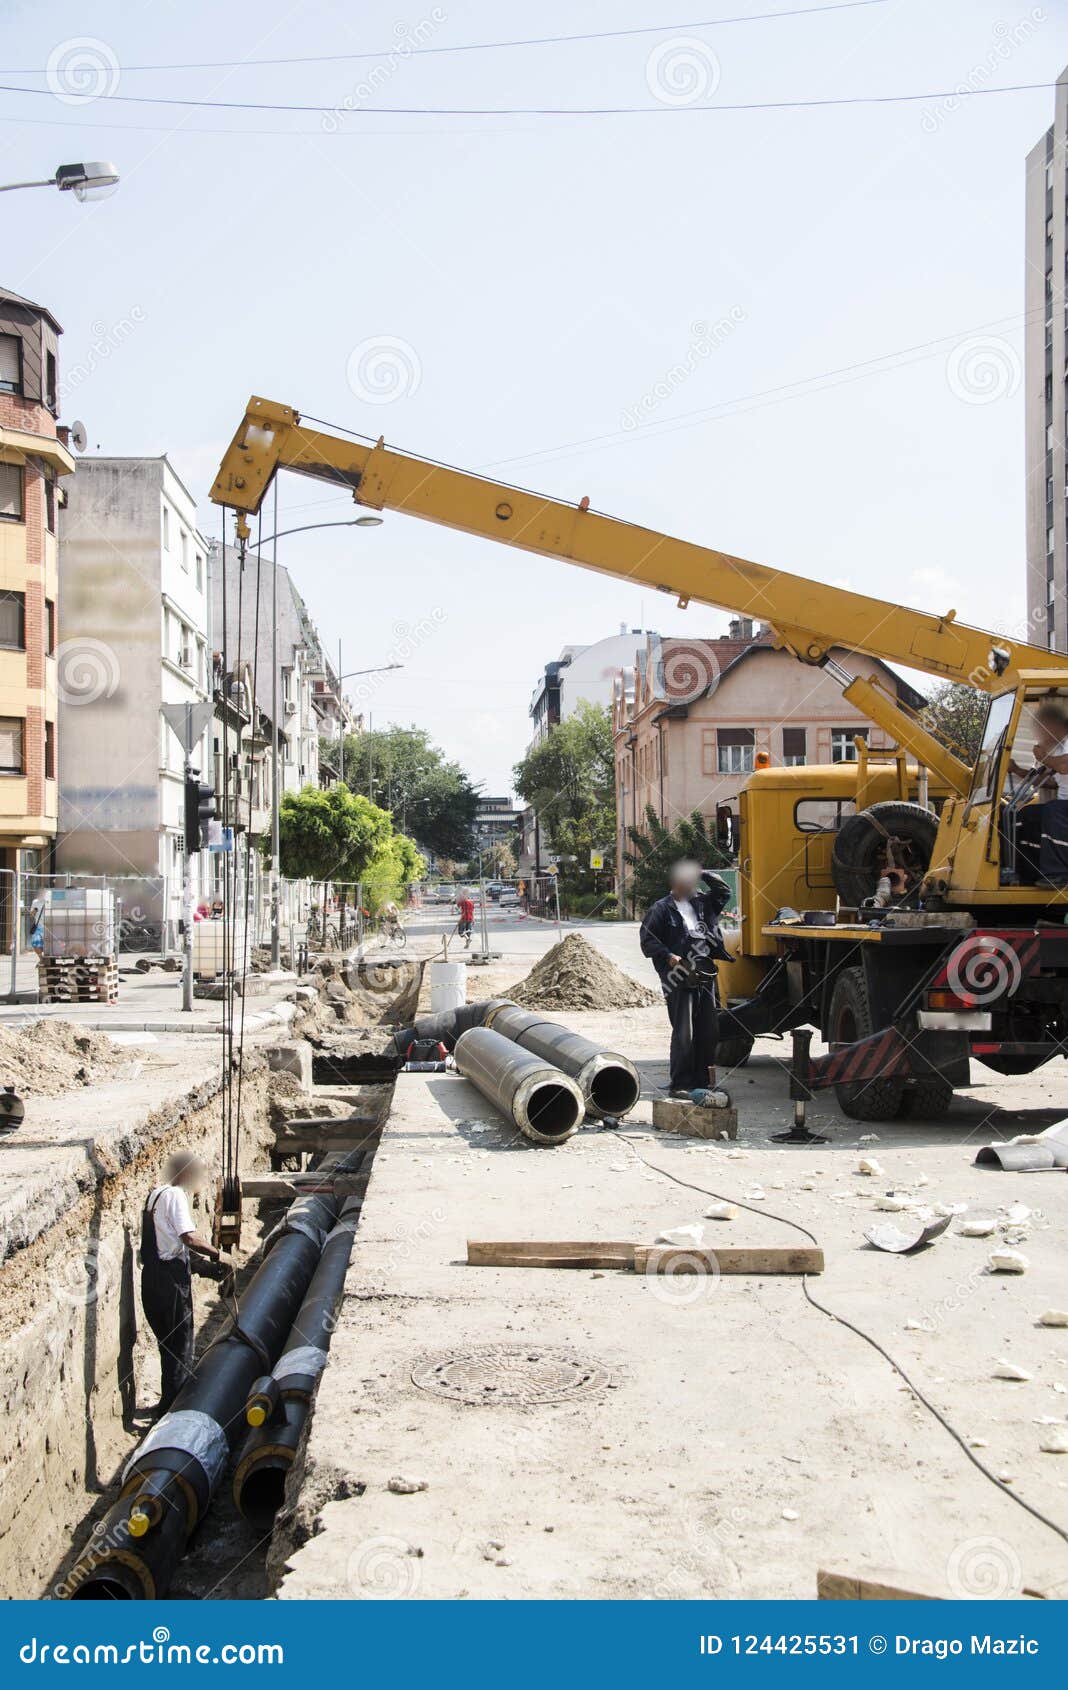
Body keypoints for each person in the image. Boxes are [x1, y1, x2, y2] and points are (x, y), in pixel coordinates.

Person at [140, 1150, 226, 1417]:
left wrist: (207, 1270)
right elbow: (187, 1238)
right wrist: (218, 1254)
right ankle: (177, 1413)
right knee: (181, 1345)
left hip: (151, 1280)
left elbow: (171, 1246)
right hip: (170, 1283)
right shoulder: (176, 1196)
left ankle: (166, 1404)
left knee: (167, 1344)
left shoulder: (155, 1195)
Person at [640, 859, 733, 1099]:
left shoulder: (702, 903)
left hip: (704, 972)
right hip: (679, 975)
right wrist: (670, 957)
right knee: (685, 1032)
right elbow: (648, 941)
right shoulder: (661, 908)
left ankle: (703, 1082)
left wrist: (703, 873)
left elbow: (724, 891)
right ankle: (680, 1083)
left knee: (709, 1030)